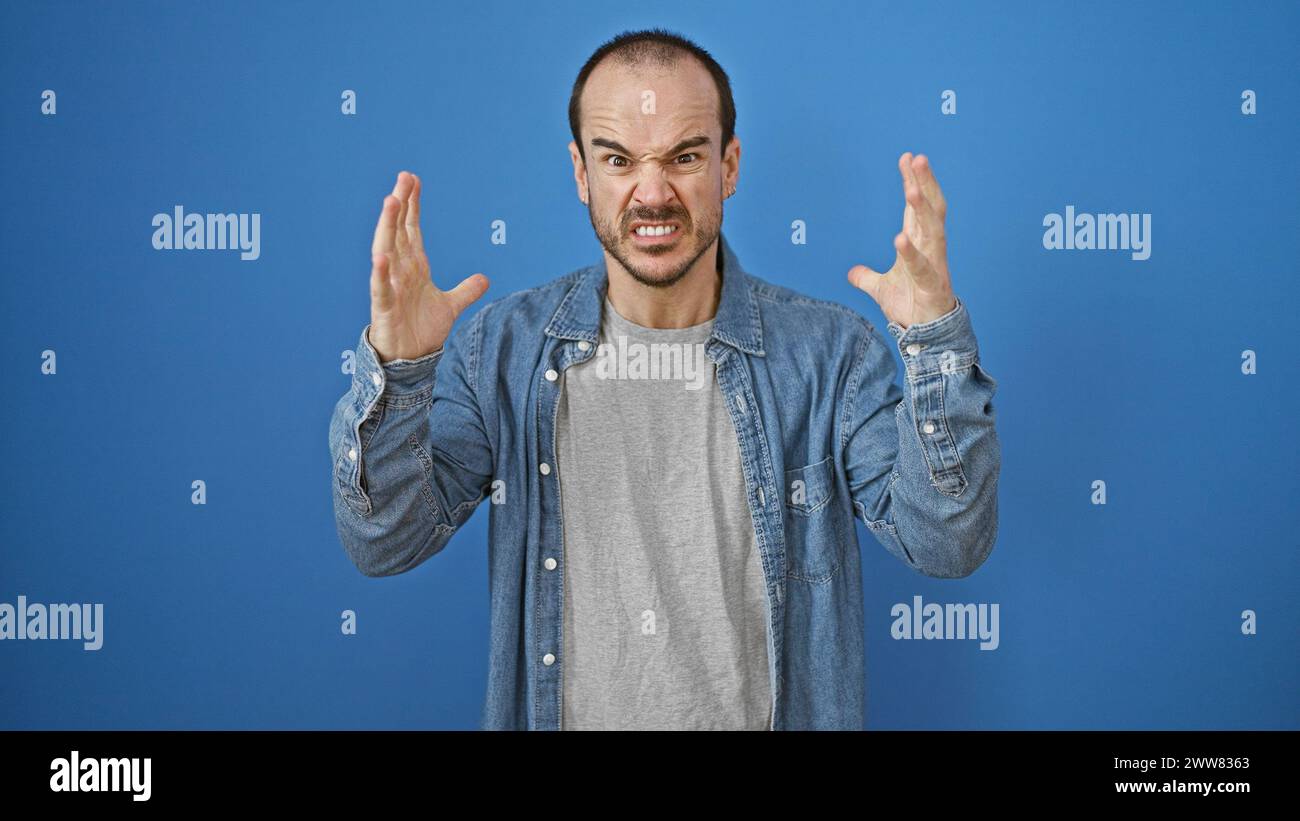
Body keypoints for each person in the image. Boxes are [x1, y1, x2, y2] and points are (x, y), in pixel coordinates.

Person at [328, 28, 1001, 730]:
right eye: (618, 159)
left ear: (729, 165)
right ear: (581, 172)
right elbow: (385, 541)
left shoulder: (832, 355)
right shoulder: (501, 350)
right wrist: (399, 373)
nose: (652, 193)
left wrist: (934, 345)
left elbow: (947, 543)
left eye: (685, 156)